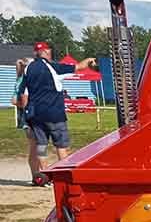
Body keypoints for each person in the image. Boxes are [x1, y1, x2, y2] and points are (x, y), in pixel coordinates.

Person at [17, 42, 96, 185]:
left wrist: (26, 114)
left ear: (36, 53)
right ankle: (64, 177)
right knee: (61, 146)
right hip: (55, 114)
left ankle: (45, 177)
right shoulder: (53, 67)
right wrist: (89, 60)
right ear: (47, 52)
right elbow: (78, 67)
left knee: (41, 146)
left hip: (36, 115)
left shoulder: (28, 68)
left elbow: (23, 94)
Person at [11, 58, 40, 181]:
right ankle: (36, 176)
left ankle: (37, 175)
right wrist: (27, 105)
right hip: (29, 118)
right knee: (35, 148)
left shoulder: (26, 79)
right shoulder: (22, 81)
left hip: (35, 117)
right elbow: (14, 100)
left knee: (38, 147)